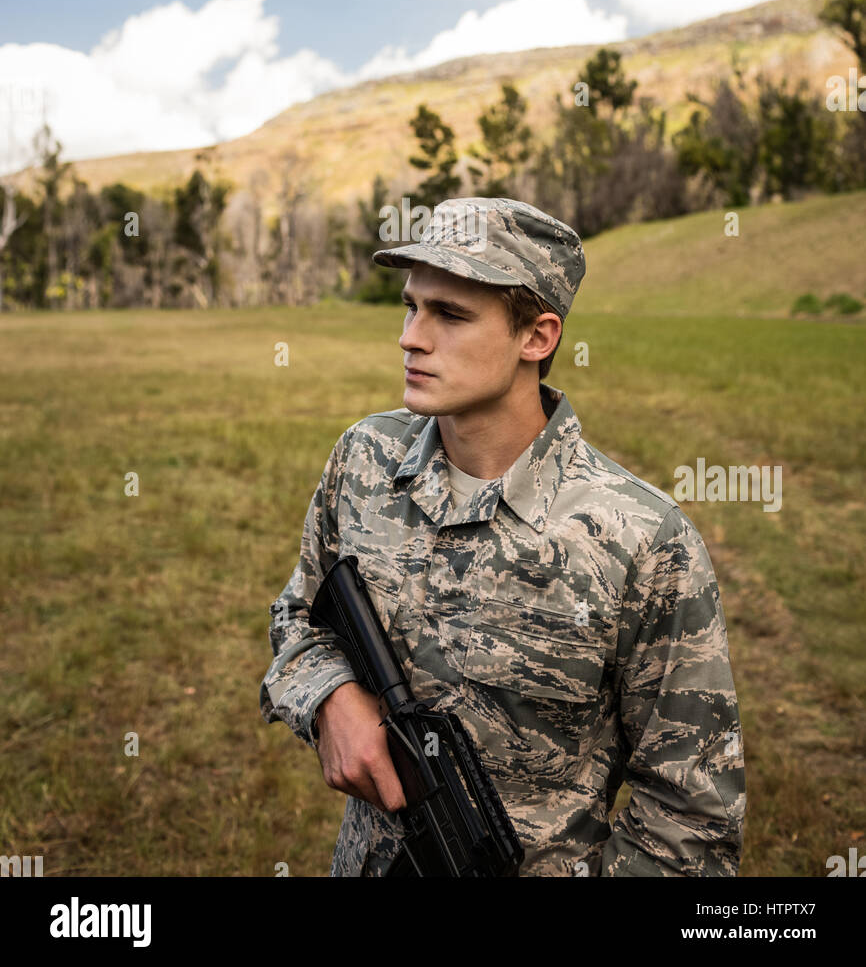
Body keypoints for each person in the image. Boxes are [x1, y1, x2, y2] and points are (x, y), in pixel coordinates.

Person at [260, 196, 746, 876]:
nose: (411, 337)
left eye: (450, 315)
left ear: (537, 338)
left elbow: (692, 816)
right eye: (411, 306)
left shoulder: (642, 540)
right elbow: (297, 619)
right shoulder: (363, 460)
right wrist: (330, 698)